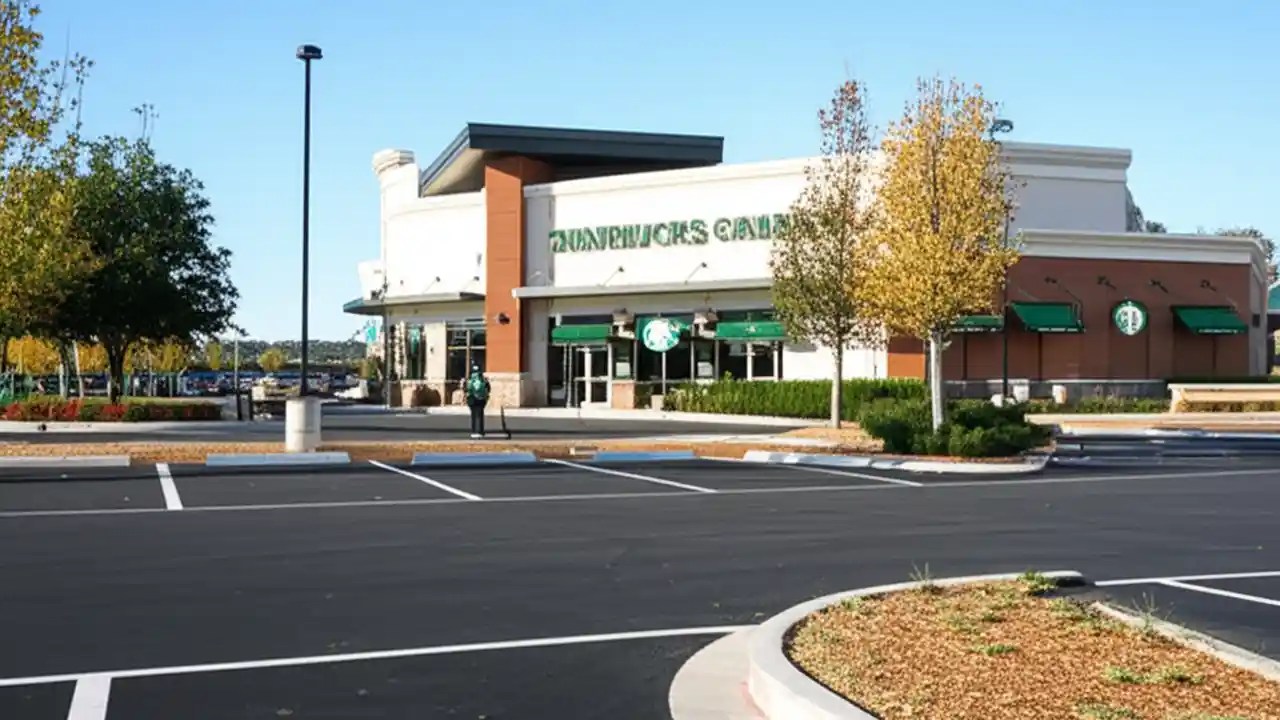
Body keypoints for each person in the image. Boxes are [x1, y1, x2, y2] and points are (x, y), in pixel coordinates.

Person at [464, 364, 491, 438]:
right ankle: (480, 431)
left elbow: (465, 389)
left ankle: (474, 431)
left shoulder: (469, 379)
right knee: (480, 414)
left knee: (473, 414)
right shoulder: (483, 379)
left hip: (472, 398)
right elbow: (488, 388)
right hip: (481, 399)